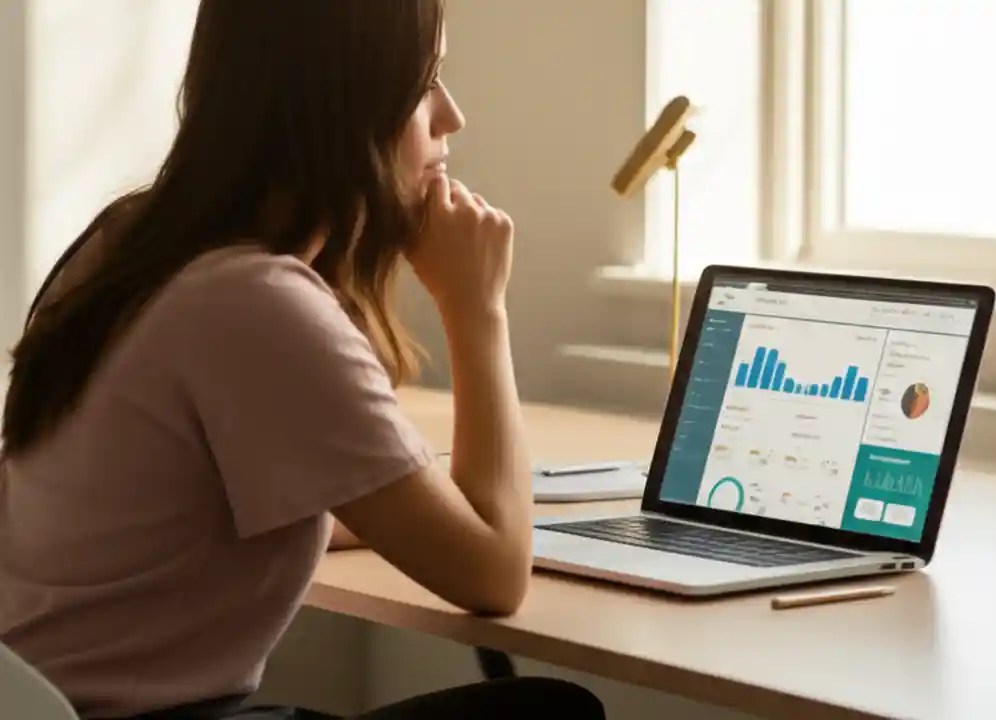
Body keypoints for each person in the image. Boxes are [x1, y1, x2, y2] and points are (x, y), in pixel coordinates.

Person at [0, 1, 605, 718]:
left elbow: (214, 501)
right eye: (425, 82)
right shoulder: (256, 301)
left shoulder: (127, 243)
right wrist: (478, 312)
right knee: (547, 711)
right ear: (343, 105)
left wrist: (418, 494)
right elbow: (495, 574)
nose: (451, 116)